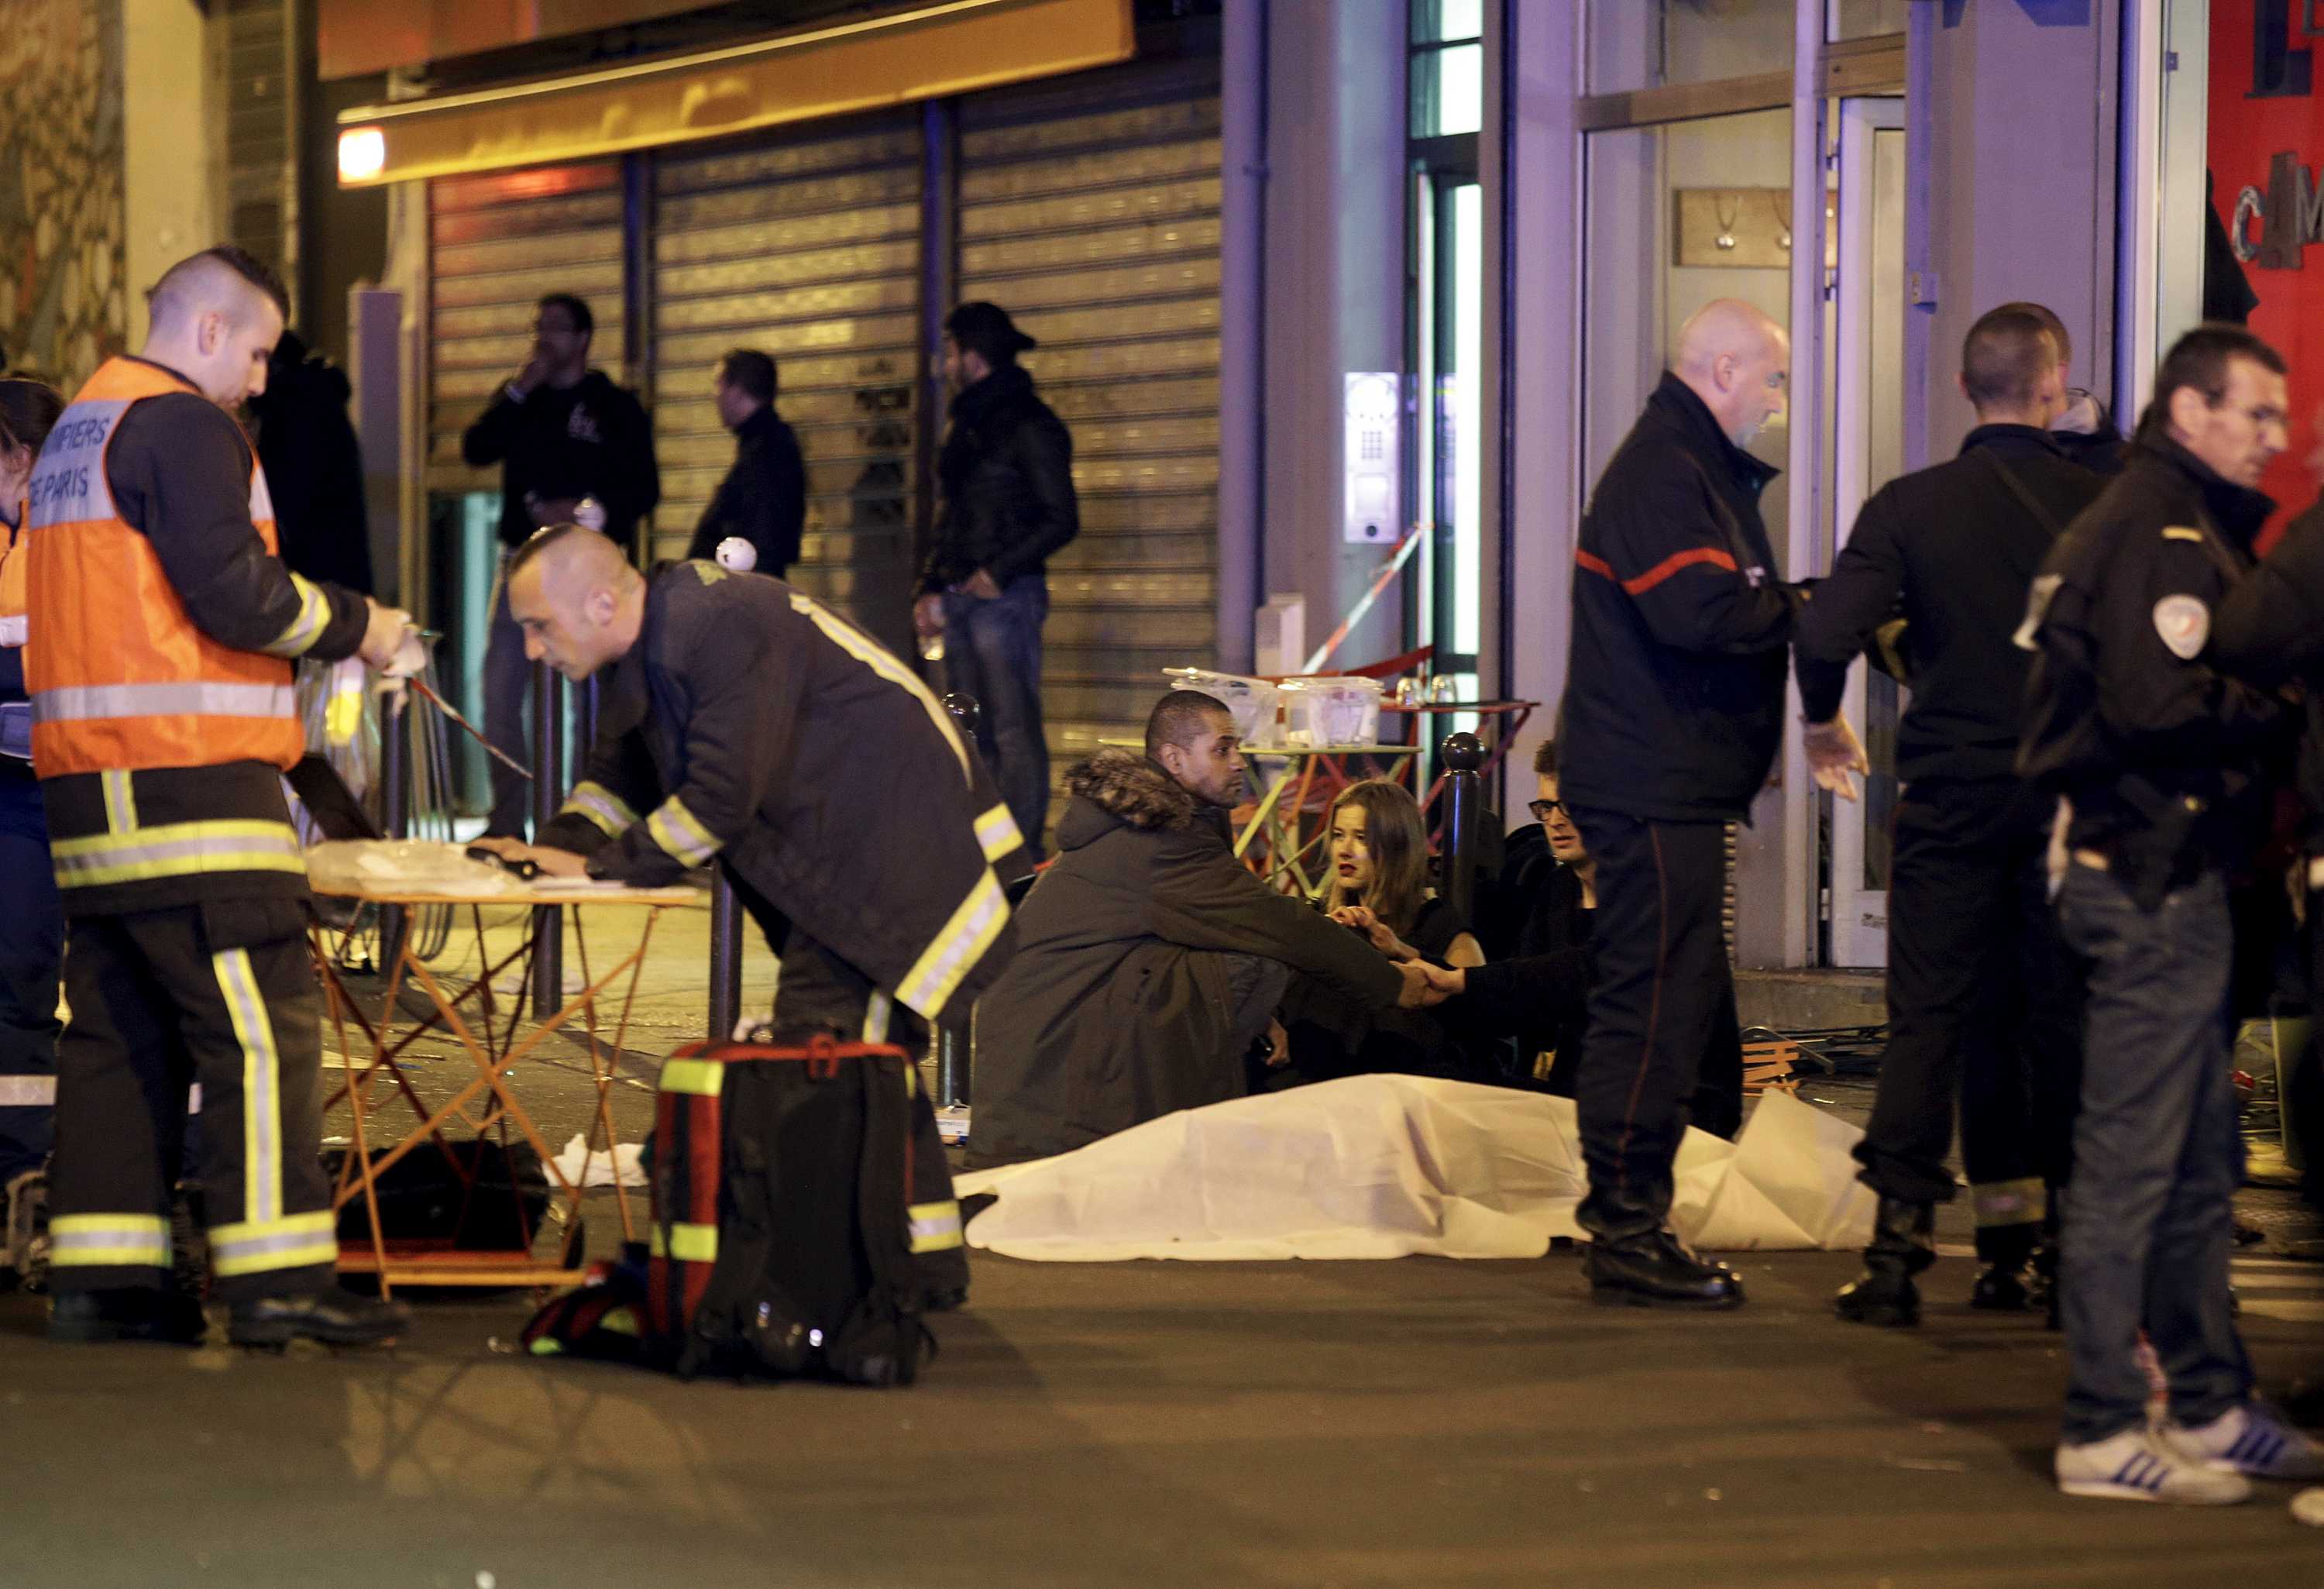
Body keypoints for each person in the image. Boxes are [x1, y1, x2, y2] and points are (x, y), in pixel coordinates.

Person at [24, 246, 413, 1347]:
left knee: (118, 1029)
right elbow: (237, 593)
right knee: (259, 1029)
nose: (257, 379)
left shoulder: (77, 431)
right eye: (254, 351)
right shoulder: (187, 424)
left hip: (92, 794)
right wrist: (362, 624)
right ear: (206, 332)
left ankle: (105, 1279)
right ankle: (277, 1280)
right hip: (193, 784)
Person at [476, 525, 1024, 1305]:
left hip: (884, 864)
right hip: (854, 864)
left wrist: (599, 867)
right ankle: (920, 1267)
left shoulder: (718, 625)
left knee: (824, 1056)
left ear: (600, 601)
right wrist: (556, 846)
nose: (533, 649)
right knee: (871, 1068)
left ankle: (836, 1289)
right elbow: (619, 773)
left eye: (538, 625)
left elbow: (718, 800)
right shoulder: (656, 645)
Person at [2020, 323, 2324, 1502]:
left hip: (2174, 879)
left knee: (2195, 1158)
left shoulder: (2170, 522)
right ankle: (2102, 1419)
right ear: (2189, 410)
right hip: (2147, 877)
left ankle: (2207, 1398)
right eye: (2255, 413)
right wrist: (2276, 701)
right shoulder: (2158, 527)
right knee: (2134, 1158)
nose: (2276, 437)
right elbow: (2155, 704)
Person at [1793, 304, 2106, 1327]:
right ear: (2053, 381)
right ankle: (2045, 1247)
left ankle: (1897, 1250)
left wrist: (1822, 725)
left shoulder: (1909, 506)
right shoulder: (2103, 504)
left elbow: (1827, 627)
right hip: (2069, 800)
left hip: (1950, 799)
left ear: (1969, 388)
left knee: (1933, 1017)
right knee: (2055, 1020)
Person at [1557, 298, 1864, 1310]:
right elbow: (1699, 611)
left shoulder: (1686, 468)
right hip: (1651, 780)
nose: (1775, 404)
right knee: (1652, 1000)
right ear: (1725, 370)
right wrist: (1814, 604)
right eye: (1772, 381)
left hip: (1667, 778)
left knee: (1670, 994)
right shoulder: (1665, 469)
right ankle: (1626, 1223)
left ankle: (1630, 1214)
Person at [966, 691, 1448, 1169]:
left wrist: (1261, 1016)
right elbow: (1279, 924)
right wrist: (1392, 982)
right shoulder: (1159, 838)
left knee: (1247, 963)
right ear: (1173, 759)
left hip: (1053, 1037)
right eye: (1222, 750)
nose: (1239, 762)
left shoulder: (1155, 823)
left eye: (1237, 747)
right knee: (1255, 963)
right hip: (1057, 1058)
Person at [459, 292, 659, 838]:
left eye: (556, 328)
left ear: (583, 339)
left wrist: (585, 510)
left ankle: (582, 822)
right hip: (521, 569)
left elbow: (644, 487)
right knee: (499, 692)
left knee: (589, 705)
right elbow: (475, 448)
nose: (544, 338)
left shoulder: (613, 405)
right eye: (538, 325)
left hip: (586, 573)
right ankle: (505, 820)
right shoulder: (526, 401)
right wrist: (519, 388)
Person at [913, 301, 1077, 860]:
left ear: (973, 355)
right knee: (964, 730)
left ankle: (1020, 854)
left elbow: (1063, 515)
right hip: (958, 600)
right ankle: (976, 849)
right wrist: (929, 587)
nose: (945, 362)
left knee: (1012, 731)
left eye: (952, 349)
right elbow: (951, 512)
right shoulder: (968, 422)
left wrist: (997, 573)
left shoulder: (1029, 423)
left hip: (1006, 600)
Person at [1274, 779, 1484, 1085]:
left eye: (1361, 838)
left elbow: (1480, 1010)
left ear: (1397, 845)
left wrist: (1398, 951)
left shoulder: (1439, 927)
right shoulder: (1319, 918)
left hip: (1404, 1086)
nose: (1344, 850)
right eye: (1337, 836)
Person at [0, 378, 65, 1185]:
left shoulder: (83, 538)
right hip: (13, 793)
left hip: (84, 783)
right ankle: (21, 1169)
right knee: (15, 984)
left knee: (122, 992)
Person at [1456, 739, 1598, 1093]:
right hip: (1566, 1094)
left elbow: (1581, 974)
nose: (1555, 821)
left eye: (1569, 806)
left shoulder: (1647, 899)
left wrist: (1459, 981)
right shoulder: (1559, 888)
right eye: (1545, 807)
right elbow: (1521, 985)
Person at [249, 329, 373, 595]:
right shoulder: (318, 400)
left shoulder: (295, 410)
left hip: (313, 579)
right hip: (337, 577)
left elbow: (287, 500)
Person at [684, 348, 806, 580]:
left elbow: (764, 534)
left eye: (719, 384)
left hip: (745, 590)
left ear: (737, 391)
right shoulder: (763, 445)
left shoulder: (768, 450)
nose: (715, 395)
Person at [2005, 302, 2127, 477]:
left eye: (2016, 375)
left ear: (2055, 375)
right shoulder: (1979, 467)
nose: (2000, 391)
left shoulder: (2125, 472)